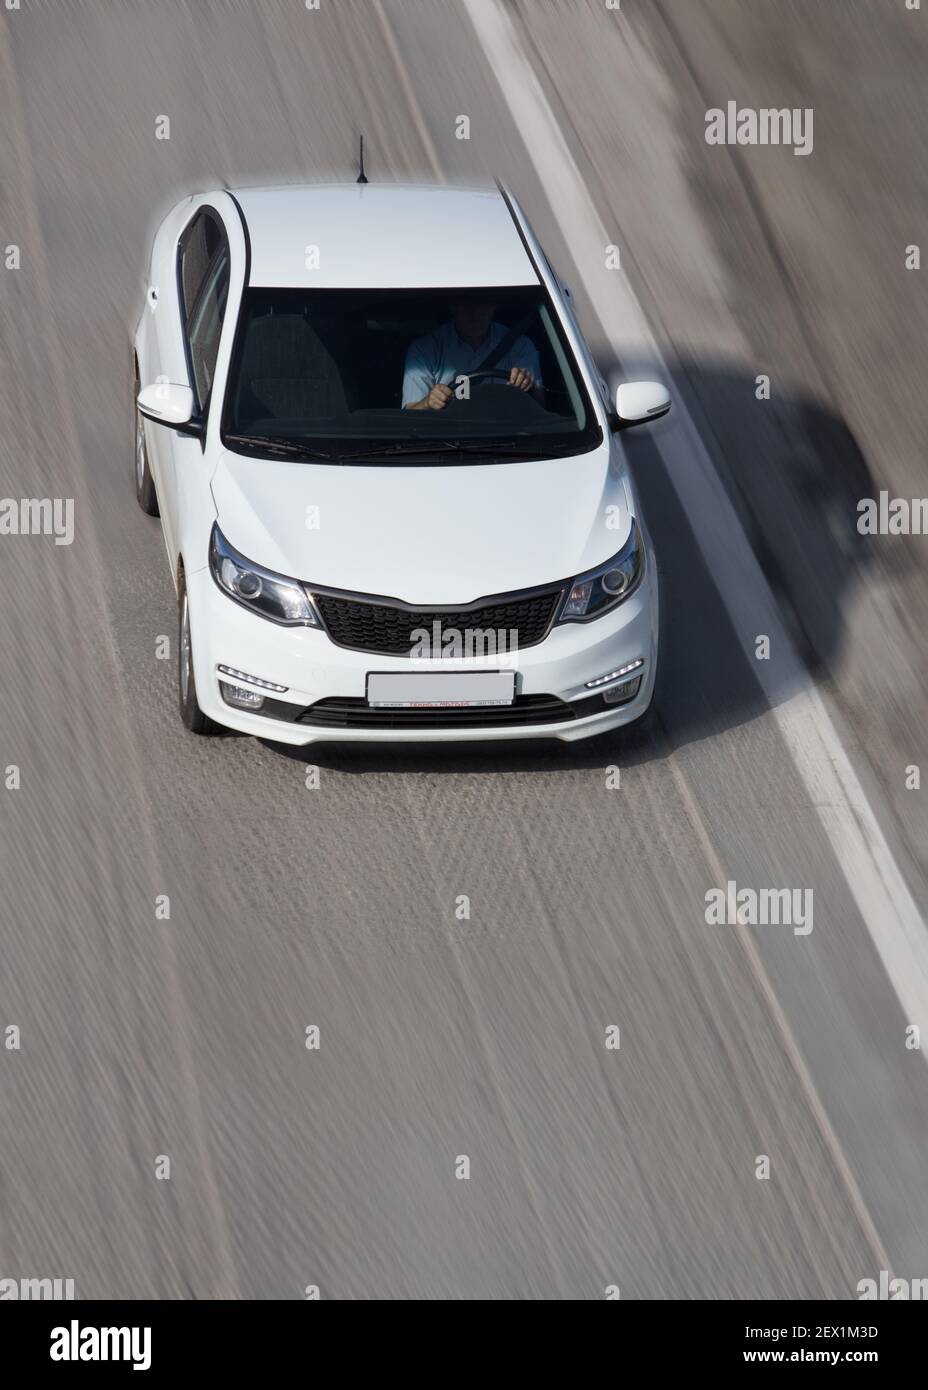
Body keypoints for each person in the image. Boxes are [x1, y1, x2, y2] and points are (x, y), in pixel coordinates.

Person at [402, 299, 542, 410]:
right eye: (467, 303)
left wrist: (526, 382)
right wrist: (427, 403)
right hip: (445, 439)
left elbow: (539, 407)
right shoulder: (425, 349)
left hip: (508, 436)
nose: (475, 313)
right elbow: (409, 416)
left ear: (494, 305)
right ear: (453, 306)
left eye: (483, 303)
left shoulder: (519, 346)